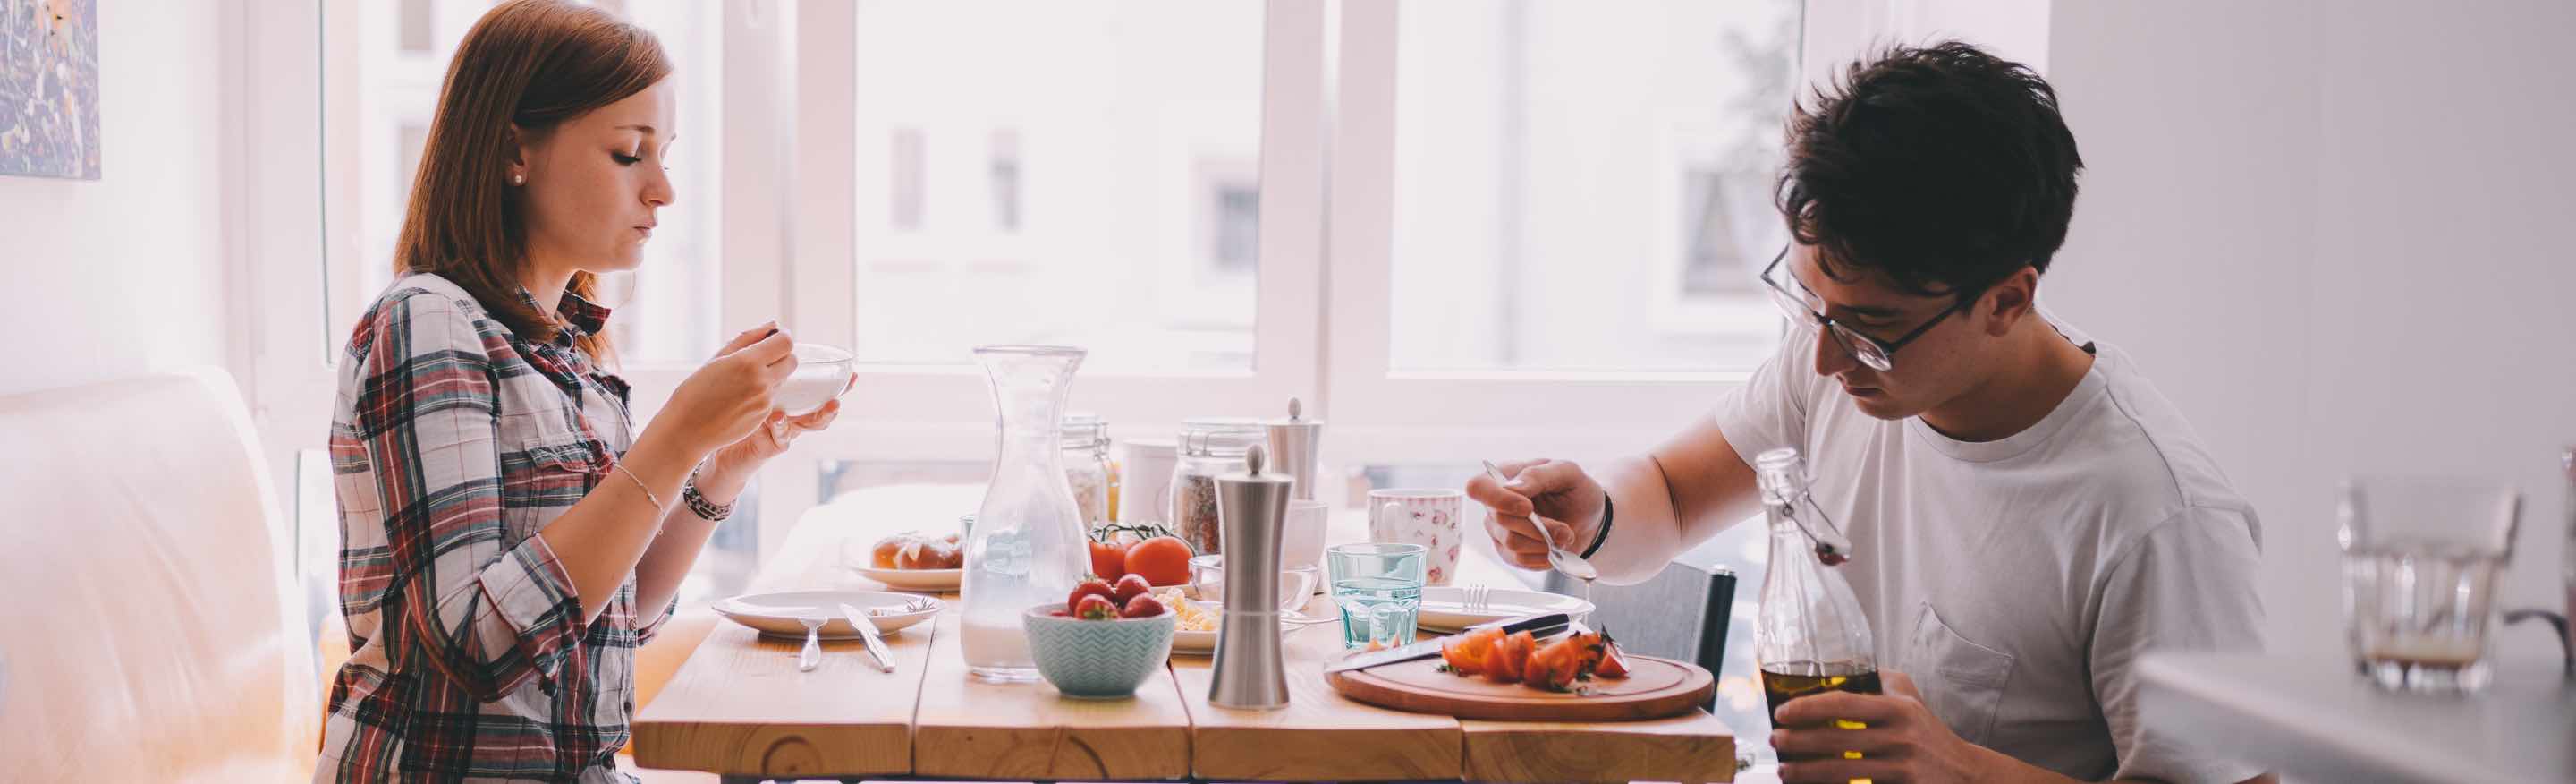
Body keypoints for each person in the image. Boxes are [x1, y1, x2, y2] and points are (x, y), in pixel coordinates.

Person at [1467, 41, 2272, 784]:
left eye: (1871, 331)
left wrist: (1961, 771)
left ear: (2007, 300)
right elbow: (1673, 496)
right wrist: (1593, 518)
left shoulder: (2159, 516)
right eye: (1809, 304)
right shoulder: (1838, 359)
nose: (1823, 358)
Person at [314, 3, 849, 780]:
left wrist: (719, 467)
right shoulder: (425, 326)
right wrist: (674, 438)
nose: (663, 190)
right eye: (630, 154)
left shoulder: (572, 346)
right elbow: (479, 646)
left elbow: (613, 614)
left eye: (664, 154)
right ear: (513, 153)